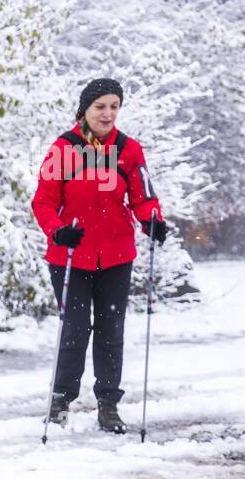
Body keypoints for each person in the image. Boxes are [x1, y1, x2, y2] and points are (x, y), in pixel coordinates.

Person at [31, 77, 166, 434]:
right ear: (85, 110)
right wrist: (57, 229)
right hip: (70, 256)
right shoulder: (64, 149)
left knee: (111, 329)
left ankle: (108, 404)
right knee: (74, 330)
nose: (107, 114)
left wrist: (153, 220)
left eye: (114, 107)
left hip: (116, 255)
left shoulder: (128, 150)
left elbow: (143, 196)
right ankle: (61, 400)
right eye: (100, 107)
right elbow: (43, 201)